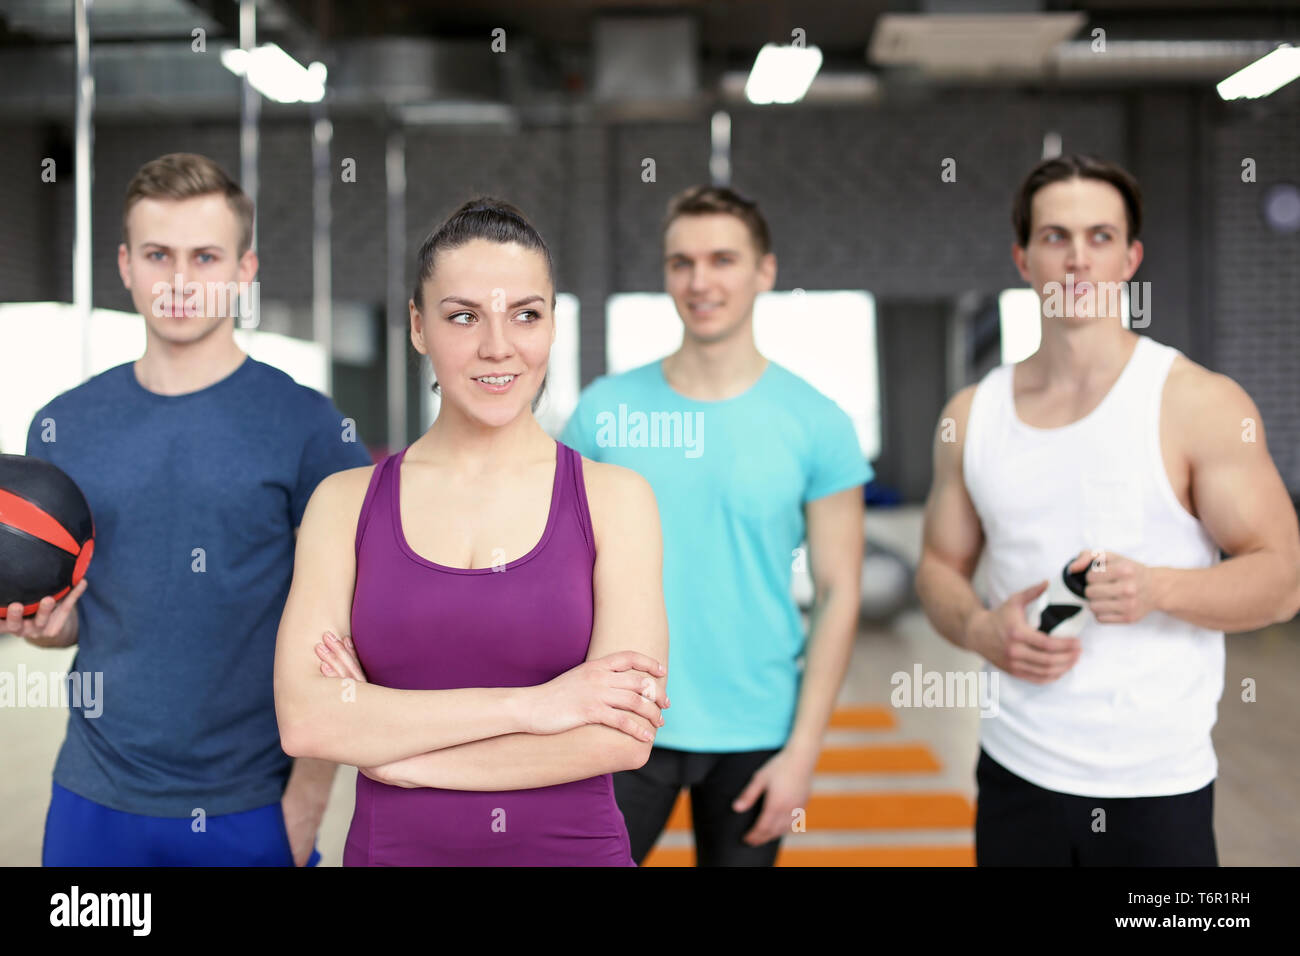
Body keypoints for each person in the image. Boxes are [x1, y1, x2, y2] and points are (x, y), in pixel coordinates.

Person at [916, 153, 1300, 866]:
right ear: (1023, 258)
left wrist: (1159, 588)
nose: (1077, 260)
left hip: (1156, 790)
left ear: (1131, 258)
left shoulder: (1198, 403)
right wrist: (976, 627)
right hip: (1013, 775)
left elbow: (1282, 582)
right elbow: (939, 564)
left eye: (1099, 237)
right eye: (1055, 237)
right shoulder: (973, 415)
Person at [274, 197, 670, 866]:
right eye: (464, 316)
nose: (498, 346)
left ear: (551, 325)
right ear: (418, 327)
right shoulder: (345, 504)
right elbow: (309, 720)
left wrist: (398, 755)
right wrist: (538, 706)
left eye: (525, 315)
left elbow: (621, 737)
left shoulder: (614, 500)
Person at [7, 152, 372, 865]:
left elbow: (350, 621)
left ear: (244, 270)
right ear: (125, 265)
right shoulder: (63, 425)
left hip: (253, 803)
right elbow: (86, 603)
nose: (178, 282)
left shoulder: (308, 427)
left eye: (205, 257)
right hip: (95, 796)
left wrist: (308, 801)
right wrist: (51, 628)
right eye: (157, 255)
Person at [560, 186, 871, 866]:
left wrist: (803, 751)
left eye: (722, 259)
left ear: (765, 272)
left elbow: (840, 592)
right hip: (621, 718)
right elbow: (556, 569)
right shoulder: (605, 412)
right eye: (682, 263)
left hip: (757, 729)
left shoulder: (816, 421)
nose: (700, 281)